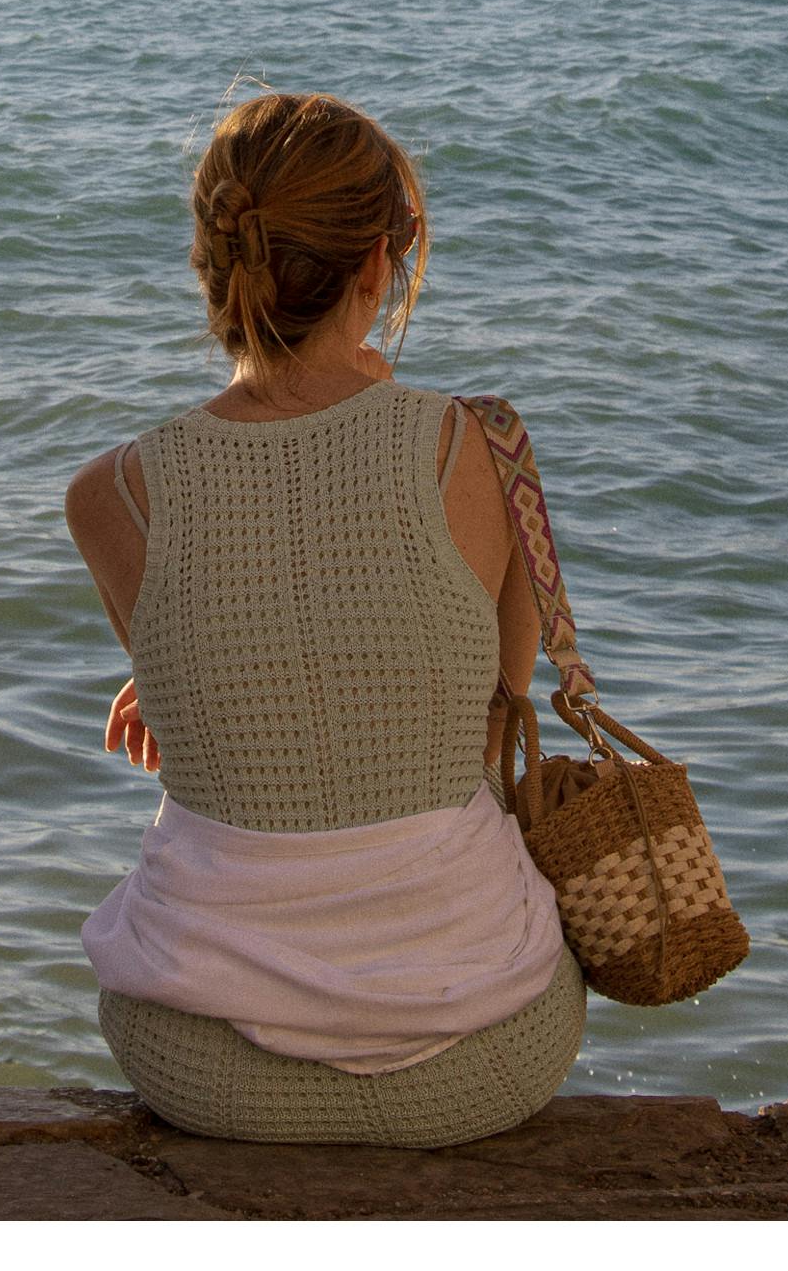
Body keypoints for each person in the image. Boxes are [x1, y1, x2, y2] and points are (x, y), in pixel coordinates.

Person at [65, 90, 584, 1146]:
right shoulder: (480, 449)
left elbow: (228, 722)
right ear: (377, 268)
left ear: (213, 262)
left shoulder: (113, 495)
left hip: (202, 1061)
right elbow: (491, 724)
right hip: (491, 1048)